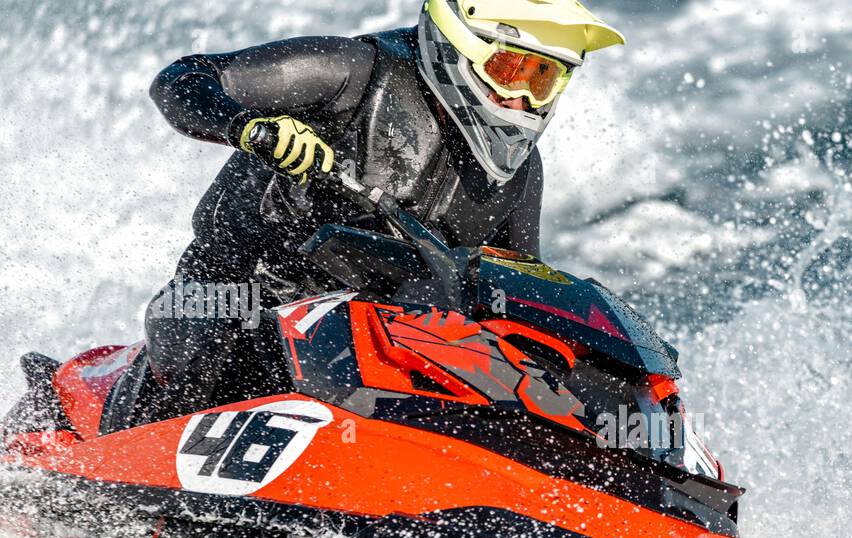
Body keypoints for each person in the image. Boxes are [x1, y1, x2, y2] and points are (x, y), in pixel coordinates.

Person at [123, 0, 624, 426]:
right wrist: (252, 130)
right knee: (211, 340)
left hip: (376, 336)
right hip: (235, 295)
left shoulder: (519, 171)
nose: (520, 99)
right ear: (462, 45)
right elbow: (183, 78)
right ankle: (123, 485)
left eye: (542, 80)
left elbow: (513, 286)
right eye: (512, 71)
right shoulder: (352, 72)